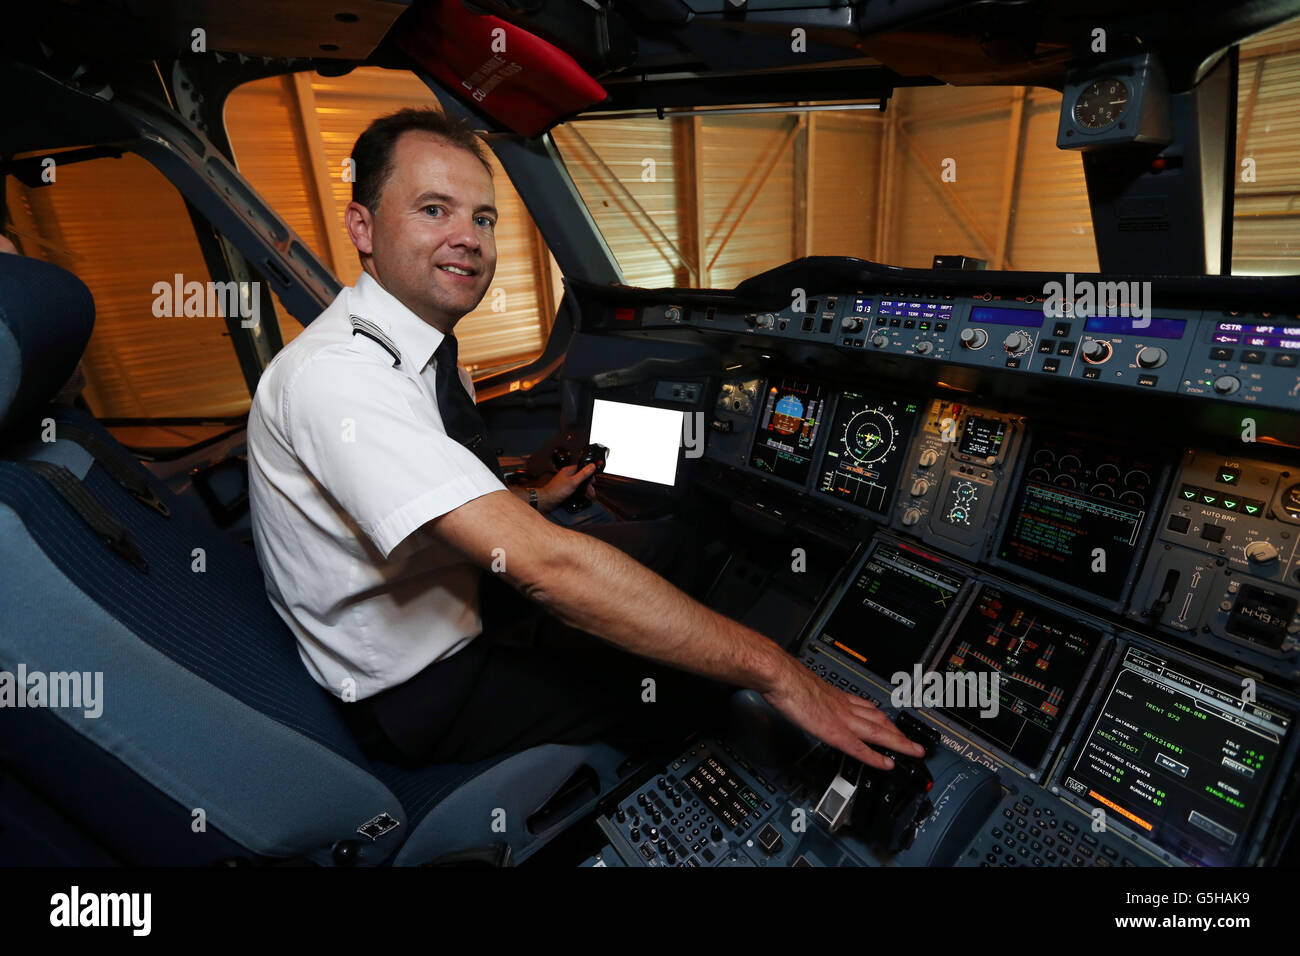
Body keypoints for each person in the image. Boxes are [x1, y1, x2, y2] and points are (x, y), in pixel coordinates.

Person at [247, 107, 923, 769]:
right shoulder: (336, 380)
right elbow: (549, 569)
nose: (469, 238)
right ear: (362, 228)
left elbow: (438, 500)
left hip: (454, 602)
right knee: (687, 692)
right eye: (434, 210)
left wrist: (533, 505)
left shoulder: (400, 352)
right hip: (426, 690)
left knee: (670, 540)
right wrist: (775, 671)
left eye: (482, 217)